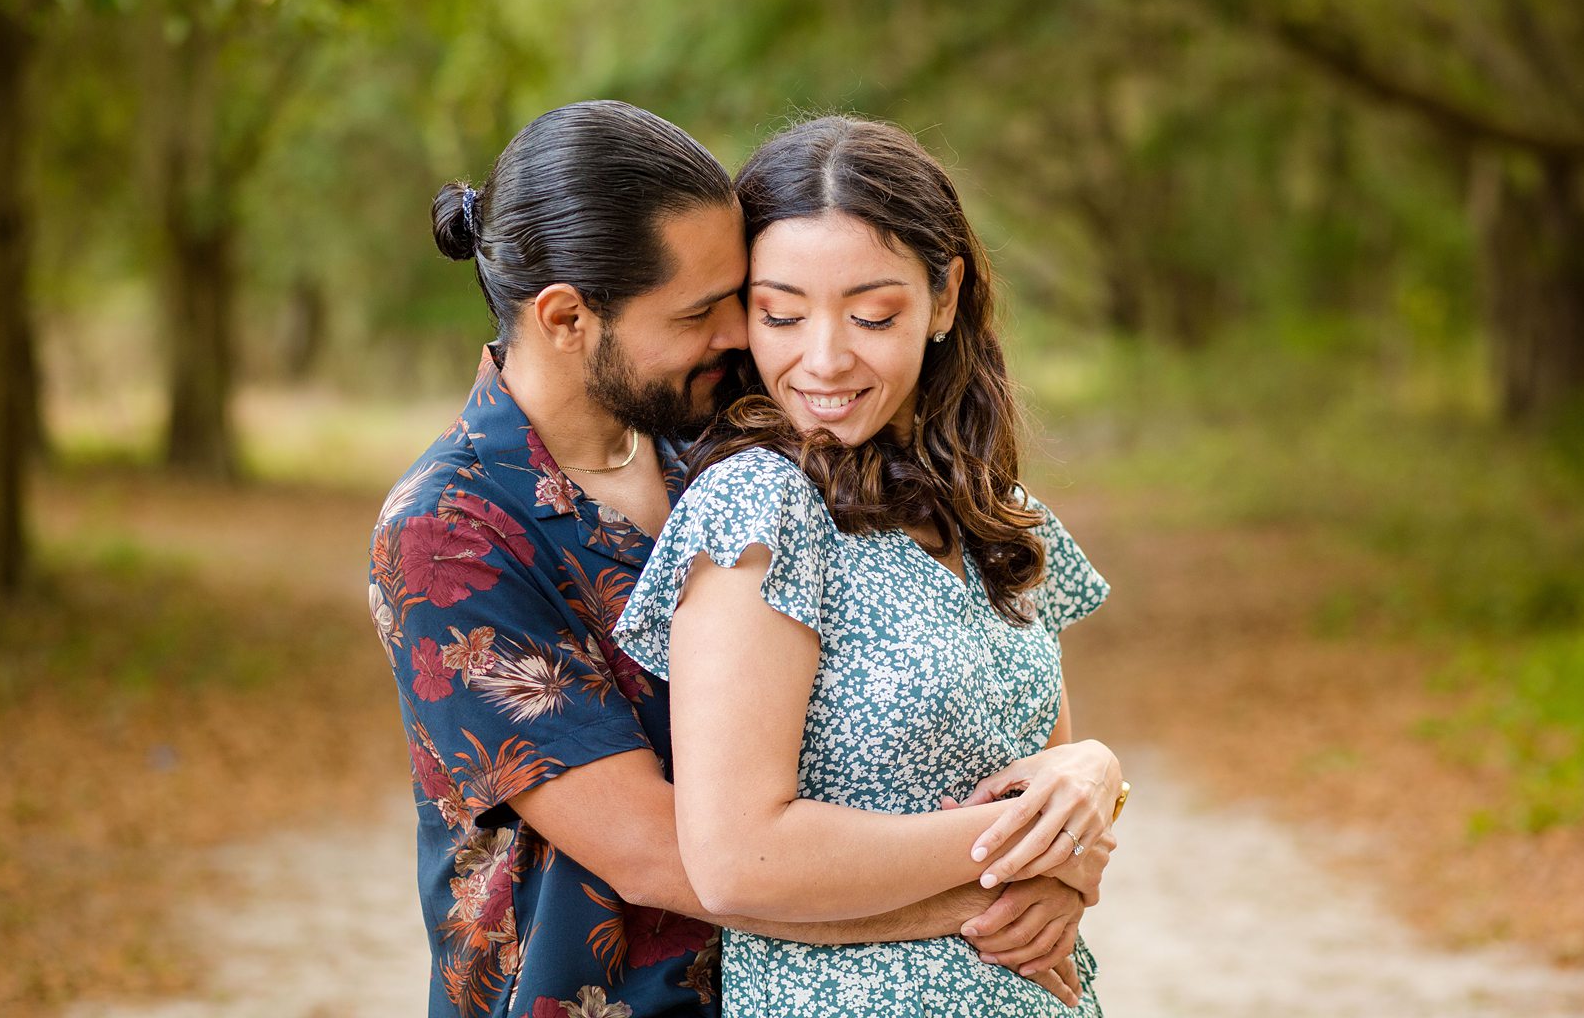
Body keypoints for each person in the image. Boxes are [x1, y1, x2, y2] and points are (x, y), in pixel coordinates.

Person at [369, 100, 1114, 1018]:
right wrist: (1011, 883)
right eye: (706, 311)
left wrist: (1088, 781)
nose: (740, 339)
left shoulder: (720, 448)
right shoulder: (451, 531)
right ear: (567, 318)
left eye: (742, 301)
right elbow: (680, 857)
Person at [614, 115, 1125, 1017]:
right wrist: (1027, 846)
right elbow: (739, 858)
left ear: (946, 298)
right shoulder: (760, 510)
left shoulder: (993, 515)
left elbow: (1046, 772)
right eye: (779, 314)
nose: (823, 359)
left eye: (872, 314)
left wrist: (1092, 781)